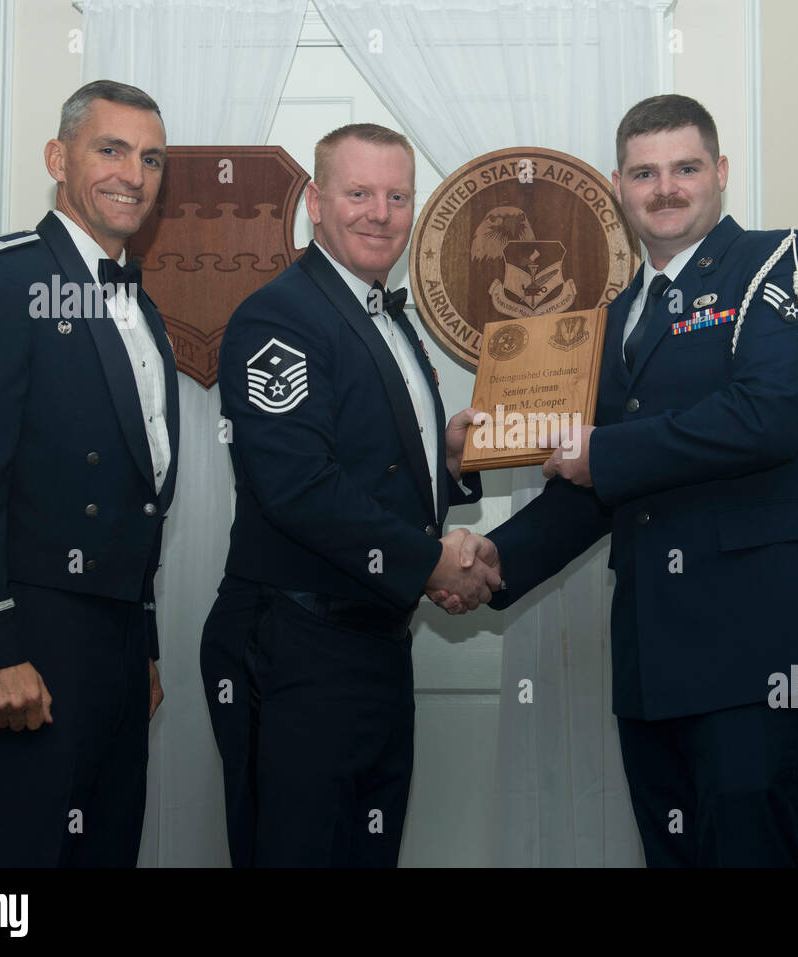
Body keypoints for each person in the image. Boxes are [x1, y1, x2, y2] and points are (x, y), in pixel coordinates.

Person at [436, 95, 798, 866]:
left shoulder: (782, 259)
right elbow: (594, 483)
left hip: (762, 650)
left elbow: (769, 414)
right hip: (652, 658)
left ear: (720, 173)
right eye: (644, 172)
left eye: (685, 168)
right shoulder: (616, 316)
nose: (665, 188)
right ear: (618, 186)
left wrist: (606, 453)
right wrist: (494, 562)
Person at [200, 123, 500, 867]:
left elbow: (373, 461)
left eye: (398, 196)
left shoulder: (381, 311)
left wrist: (451, 454)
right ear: (314, 202)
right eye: (359, 193)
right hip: (296, 643)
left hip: (369, 639)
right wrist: (432, 560)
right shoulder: (283, 316)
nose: (380, 212)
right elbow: (299, 485)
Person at [0, 80, 178, 866]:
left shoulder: (141, 308)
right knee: (10, 870)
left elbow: (140, 498)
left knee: (102, 851)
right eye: (111, 150)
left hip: (118, 644)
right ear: (59, 158)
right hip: (28, 636)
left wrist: (143, 645)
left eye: (151, 158)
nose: (134, 174)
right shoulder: (4, 279)